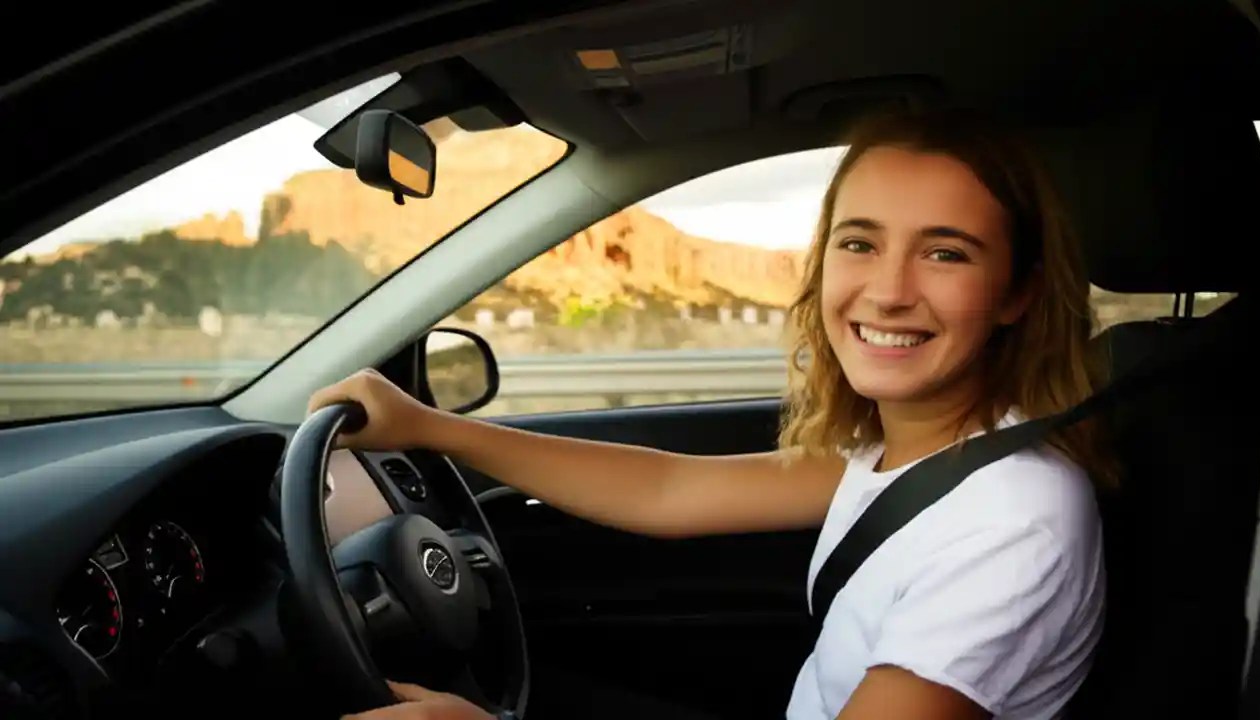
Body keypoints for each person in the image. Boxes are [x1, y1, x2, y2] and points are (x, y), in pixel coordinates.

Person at [313, 107, 1110, 720]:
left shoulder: (1011, 523)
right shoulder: (914, 446)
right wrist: (429, 426)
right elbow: (670, 492)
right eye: (859, 242)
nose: (890, 290)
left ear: (1018, 292)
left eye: (946, 252)